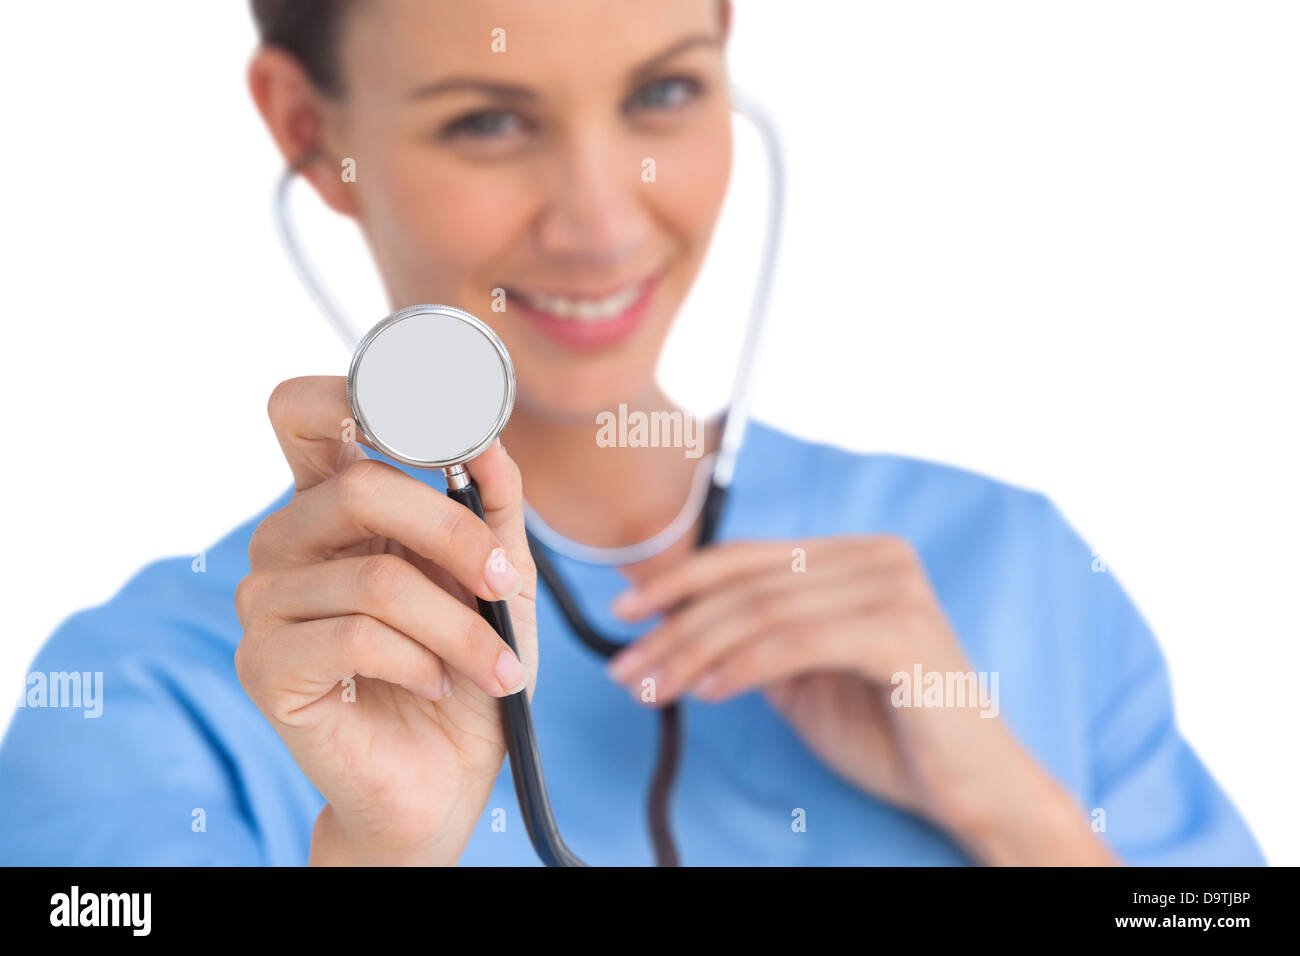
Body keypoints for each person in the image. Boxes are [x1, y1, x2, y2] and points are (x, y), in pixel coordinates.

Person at [0, 0, 1264, 866]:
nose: (603, 221)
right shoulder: (144, 693)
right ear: (307, 129)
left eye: (662, 92)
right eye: (487, 120)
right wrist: (378, 856)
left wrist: (1020, 816)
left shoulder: (1014, 566)